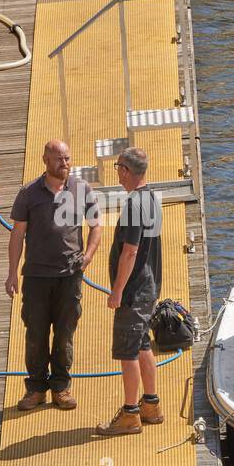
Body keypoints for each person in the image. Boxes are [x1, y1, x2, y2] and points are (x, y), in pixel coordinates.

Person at [7, 139, 101, 411]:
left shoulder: (81, 189)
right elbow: (17, 236)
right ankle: (36, 388)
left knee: (64, 333)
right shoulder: (28, 193)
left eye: (68, 159)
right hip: (36, 276)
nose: (65, 164)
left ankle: (61, 386)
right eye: (59, 159)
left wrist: (89, 256)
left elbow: (96, 226)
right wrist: (12, 273)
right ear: (46, 161)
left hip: (69, 275)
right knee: (35, 334)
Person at [95, 147, 163, 436]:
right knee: (142, 344)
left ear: (125, 170)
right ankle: (151, 405)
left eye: (118, 167)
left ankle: (130, 414)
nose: (117, 173)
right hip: (149, 287)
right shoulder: (151, 198)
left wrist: (117, 291)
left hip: (135, 291)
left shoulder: (135, 205)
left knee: (127, 351)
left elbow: (130, 252)